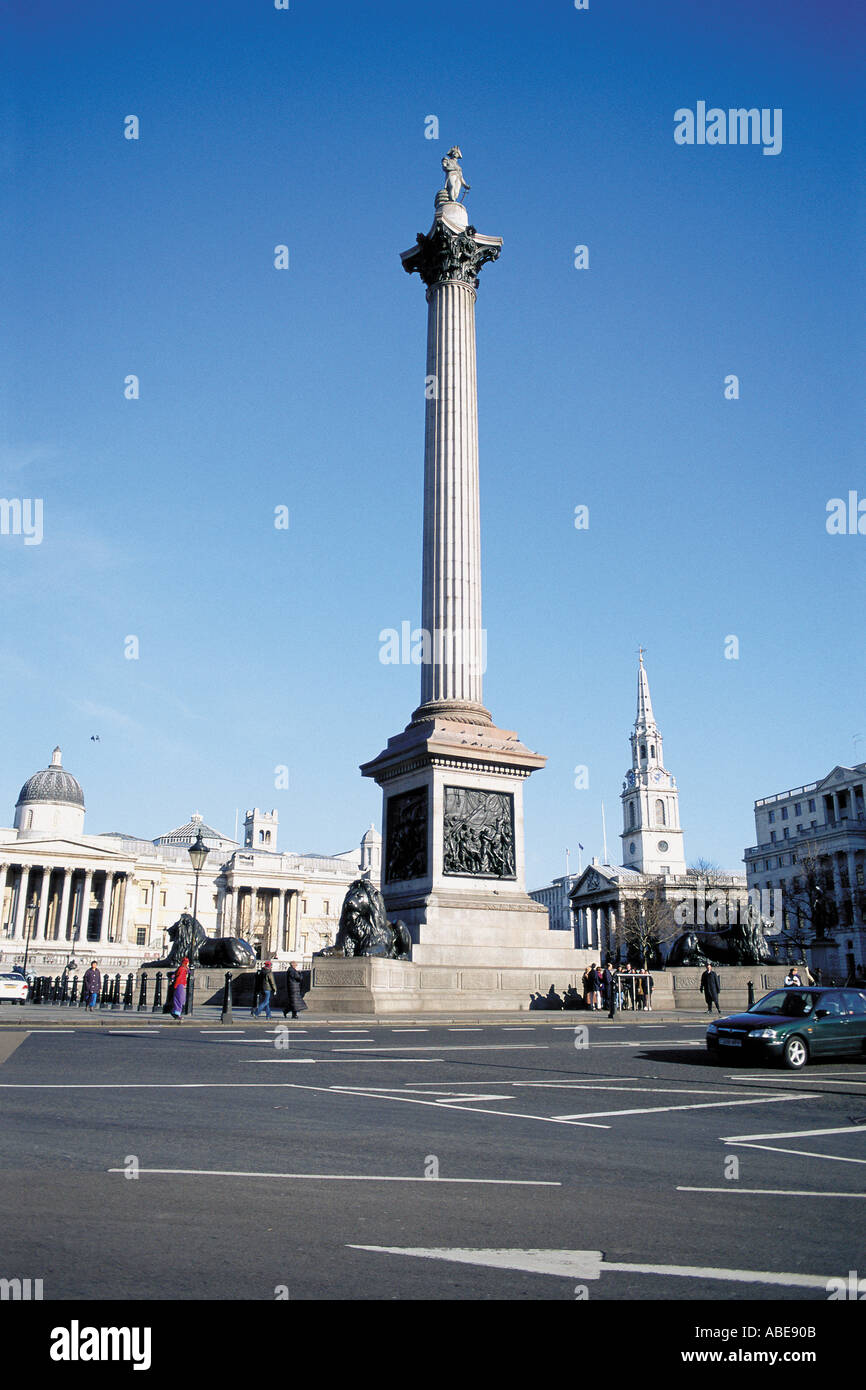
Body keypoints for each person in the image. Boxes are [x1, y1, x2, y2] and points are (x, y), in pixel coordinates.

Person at [170, 957, 189, 1022]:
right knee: (180, 999)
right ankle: (176, 1013)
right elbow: (180, 977)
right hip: (180, 985)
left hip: (180, 984)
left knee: (180, 998)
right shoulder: (182, 969)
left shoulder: (182, 968)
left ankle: (176, 1012)